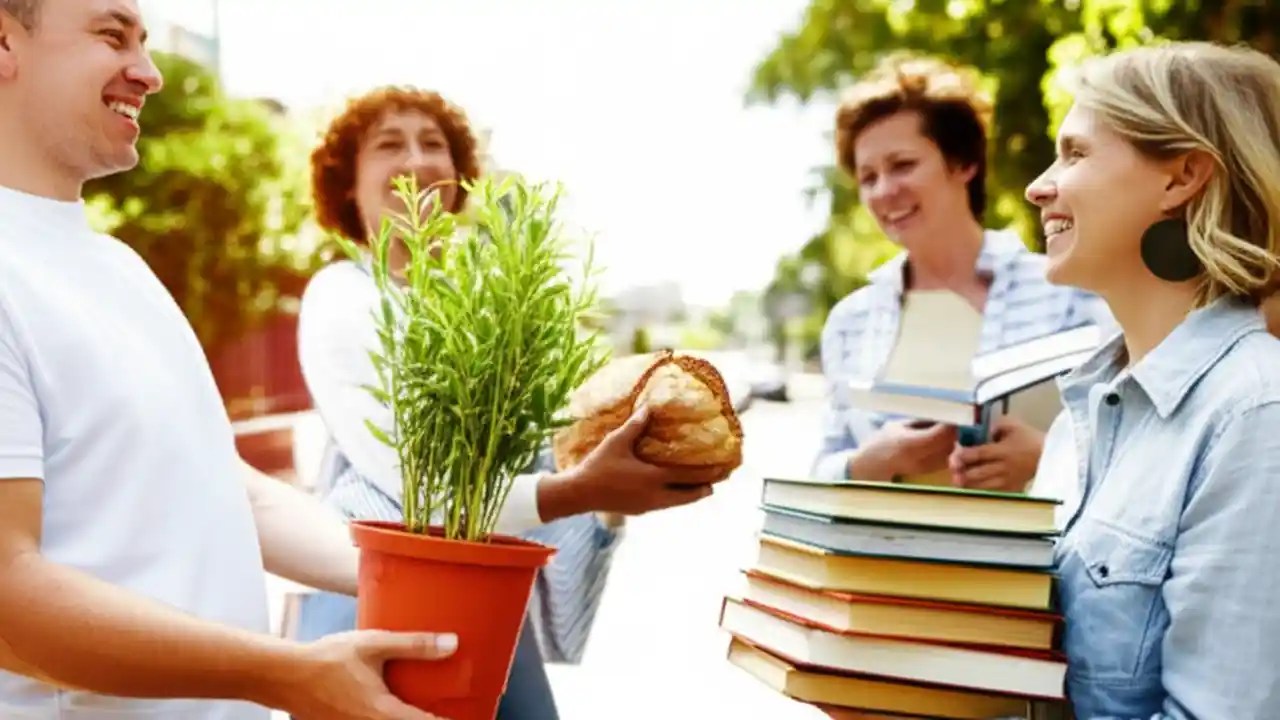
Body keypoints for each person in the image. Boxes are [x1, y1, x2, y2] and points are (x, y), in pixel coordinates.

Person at [0, 1, 464, 719]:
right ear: (5, 41)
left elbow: (233, 491)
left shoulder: (121, 268)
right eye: (110, 35)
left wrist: (443, 576)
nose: (149, 73)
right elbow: (6, 592)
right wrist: (284, 674)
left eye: (145, 42)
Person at [294, 86, 731, 718]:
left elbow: (550, 453)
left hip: (492, 600)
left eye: (434, 144)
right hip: (375, 595)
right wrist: (585, 491)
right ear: (347, 188)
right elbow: (429, 484)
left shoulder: (494, 310)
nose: (417, 162)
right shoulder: (342, 295)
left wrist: (616, 470)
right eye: (389, 145)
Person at [1021, 41, 1280, 718]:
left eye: (1075, 154)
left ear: (1181, 177)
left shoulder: (1256, 414)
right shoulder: (1075, 421)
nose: (1038, 186)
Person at [812, 53, 1109, 493]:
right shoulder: (849, 321)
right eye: (868, 176)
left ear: (964, 163)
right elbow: (820, 471)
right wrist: (868, 463)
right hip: (880, 556)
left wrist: (1048, 456)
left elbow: (1133, 449)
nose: (884, 191)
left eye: (902, 165)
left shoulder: (1069, 291)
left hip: (1022, 557)